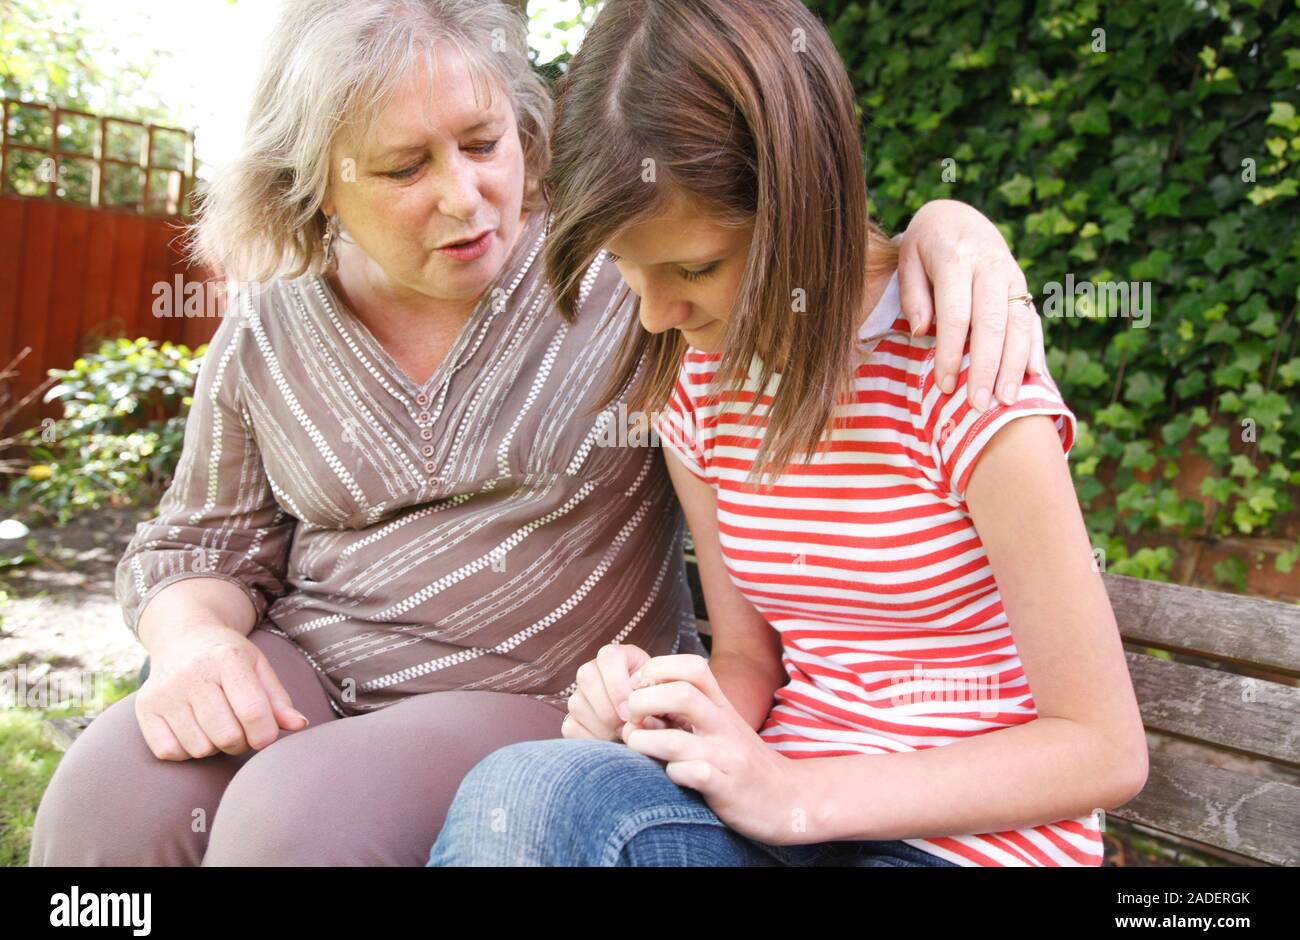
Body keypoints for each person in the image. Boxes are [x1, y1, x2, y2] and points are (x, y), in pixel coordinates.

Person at [31, 0, 1053, 867]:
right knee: (109, 798)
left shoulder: (621, 273)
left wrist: (949, 226)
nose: (465, 194)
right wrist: (193, 638)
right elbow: (203, 543)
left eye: (484, 143)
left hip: (546, 695)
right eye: (400, 168)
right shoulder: (271, 323)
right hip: (308, 668)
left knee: (293, 820)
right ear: (313, 181)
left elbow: (790, 240)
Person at [428, 0, 1148, 868]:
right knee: (528, 792)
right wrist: (658, 717)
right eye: (628, 269)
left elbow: (1104, 749)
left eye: (695, 268)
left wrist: (802, 799)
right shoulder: (697, 386)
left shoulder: (963, 369)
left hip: (963, 848)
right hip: (778, 821)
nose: (657, 314)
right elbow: (748, 658)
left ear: (801, 206)